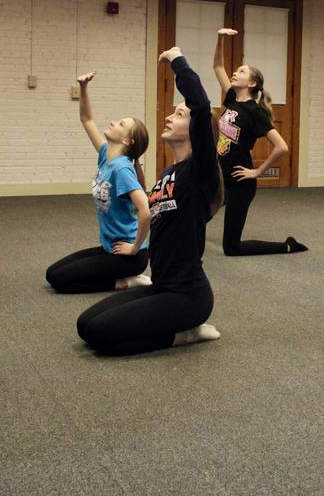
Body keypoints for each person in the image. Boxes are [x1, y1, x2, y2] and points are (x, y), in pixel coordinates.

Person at [76, 48, 221, 355]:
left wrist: (177, 60)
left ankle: (185, 335)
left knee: (103, 337)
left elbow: (202, 103)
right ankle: (176, 326)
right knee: (86, 323)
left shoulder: (199, 172)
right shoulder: (169, 173)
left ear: (196, 129)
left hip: (188, 295)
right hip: (161, 285)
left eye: (179, 114)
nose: (169, 116)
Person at [46, 71, 150, 293]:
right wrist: (83, 88)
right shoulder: (106, 154)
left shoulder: (122, 169)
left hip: (129, 256)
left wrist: (134, 248)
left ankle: (125, 282)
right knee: (52, 272)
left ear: (126, 140)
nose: (113, 122)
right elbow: (87, 119)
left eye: (120, 123)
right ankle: (122, 275)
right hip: (110, 248)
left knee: (60, 280)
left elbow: (145, 211)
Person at [213, 28, 307, 256]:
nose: (235, 73)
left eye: (241, 71)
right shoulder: (233, 99)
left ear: (252, 83)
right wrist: (220, 38)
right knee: (193, 210)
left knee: (232, 248)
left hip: (239, 182)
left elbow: (282, 146)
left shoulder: (256, 113)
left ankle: (287, 246)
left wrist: (257, 173)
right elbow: (217, 67)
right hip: (220, 176)